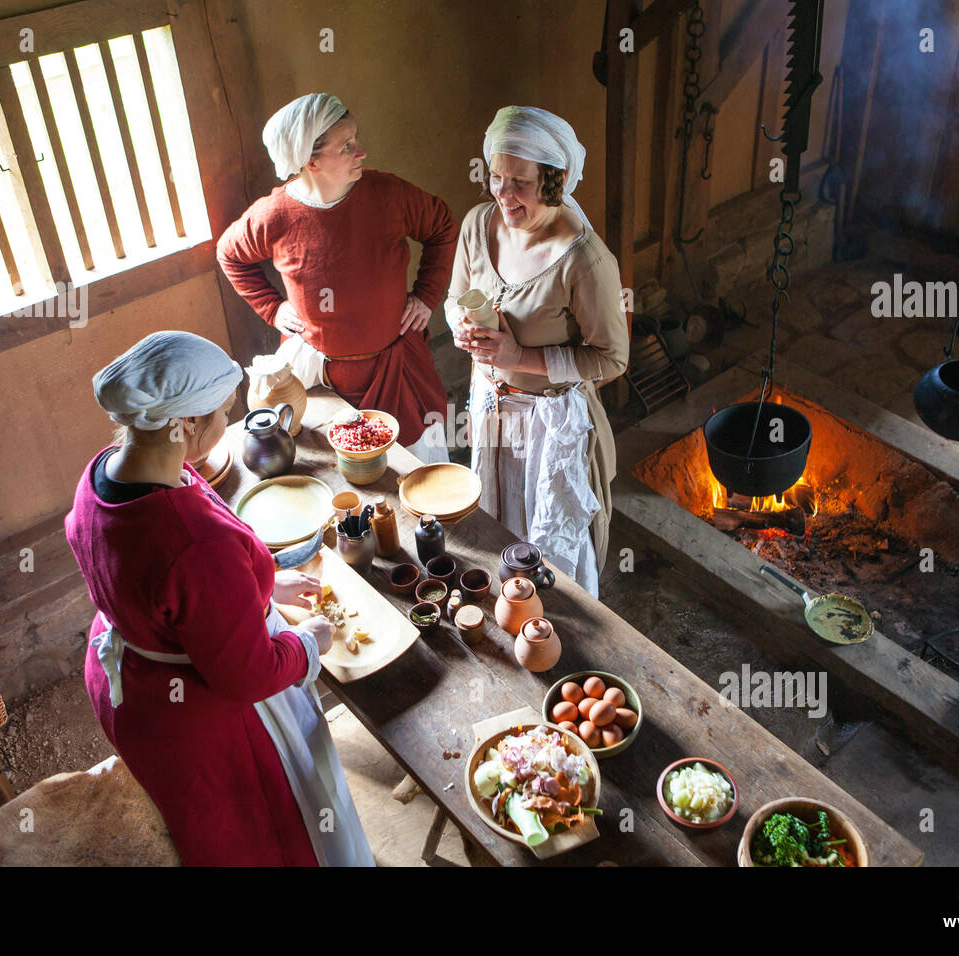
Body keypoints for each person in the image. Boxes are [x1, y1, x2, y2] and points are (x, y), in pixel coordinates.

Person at [64, 331, 374, 867]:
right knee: (267, 830)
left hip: (132, 677)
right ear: (183, 424)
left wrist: (262, 579)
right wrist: (308, 643)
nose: (228, 420)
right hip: (193, 711)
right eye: (219, 412)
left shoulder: (110, 470)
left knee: (204, 825)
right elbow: (247, 676)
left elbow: (173, 589)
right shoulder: (190, 541)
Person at [445, 107, 628, 597]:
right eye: (496, 177)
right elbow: (452, 297)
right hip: (491, 408)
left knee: (551, 552)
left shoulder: (585, 260)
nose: (503, 195)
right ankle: (510, 615)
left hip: (552, 422)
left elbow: (611, 359)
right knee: (499, 527)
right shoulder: (477, 225)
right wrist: (459, 326)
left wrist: (517, 356)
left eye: (520, 182)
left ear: (556, 180)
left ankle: (554, 636)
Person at [216, 93, 457, 463]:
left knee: (418, 466)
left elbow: (442, 225)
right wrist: (272, 307)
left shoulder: (388, 195)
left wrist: (426, 295)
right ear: (311, 161)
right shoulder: (276, 215)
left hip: (396, 367)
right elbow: (229, 254)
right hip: (319, 374)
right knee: (334, 469)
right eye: (346, 146)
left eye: (356, 139)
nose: (361, 152)